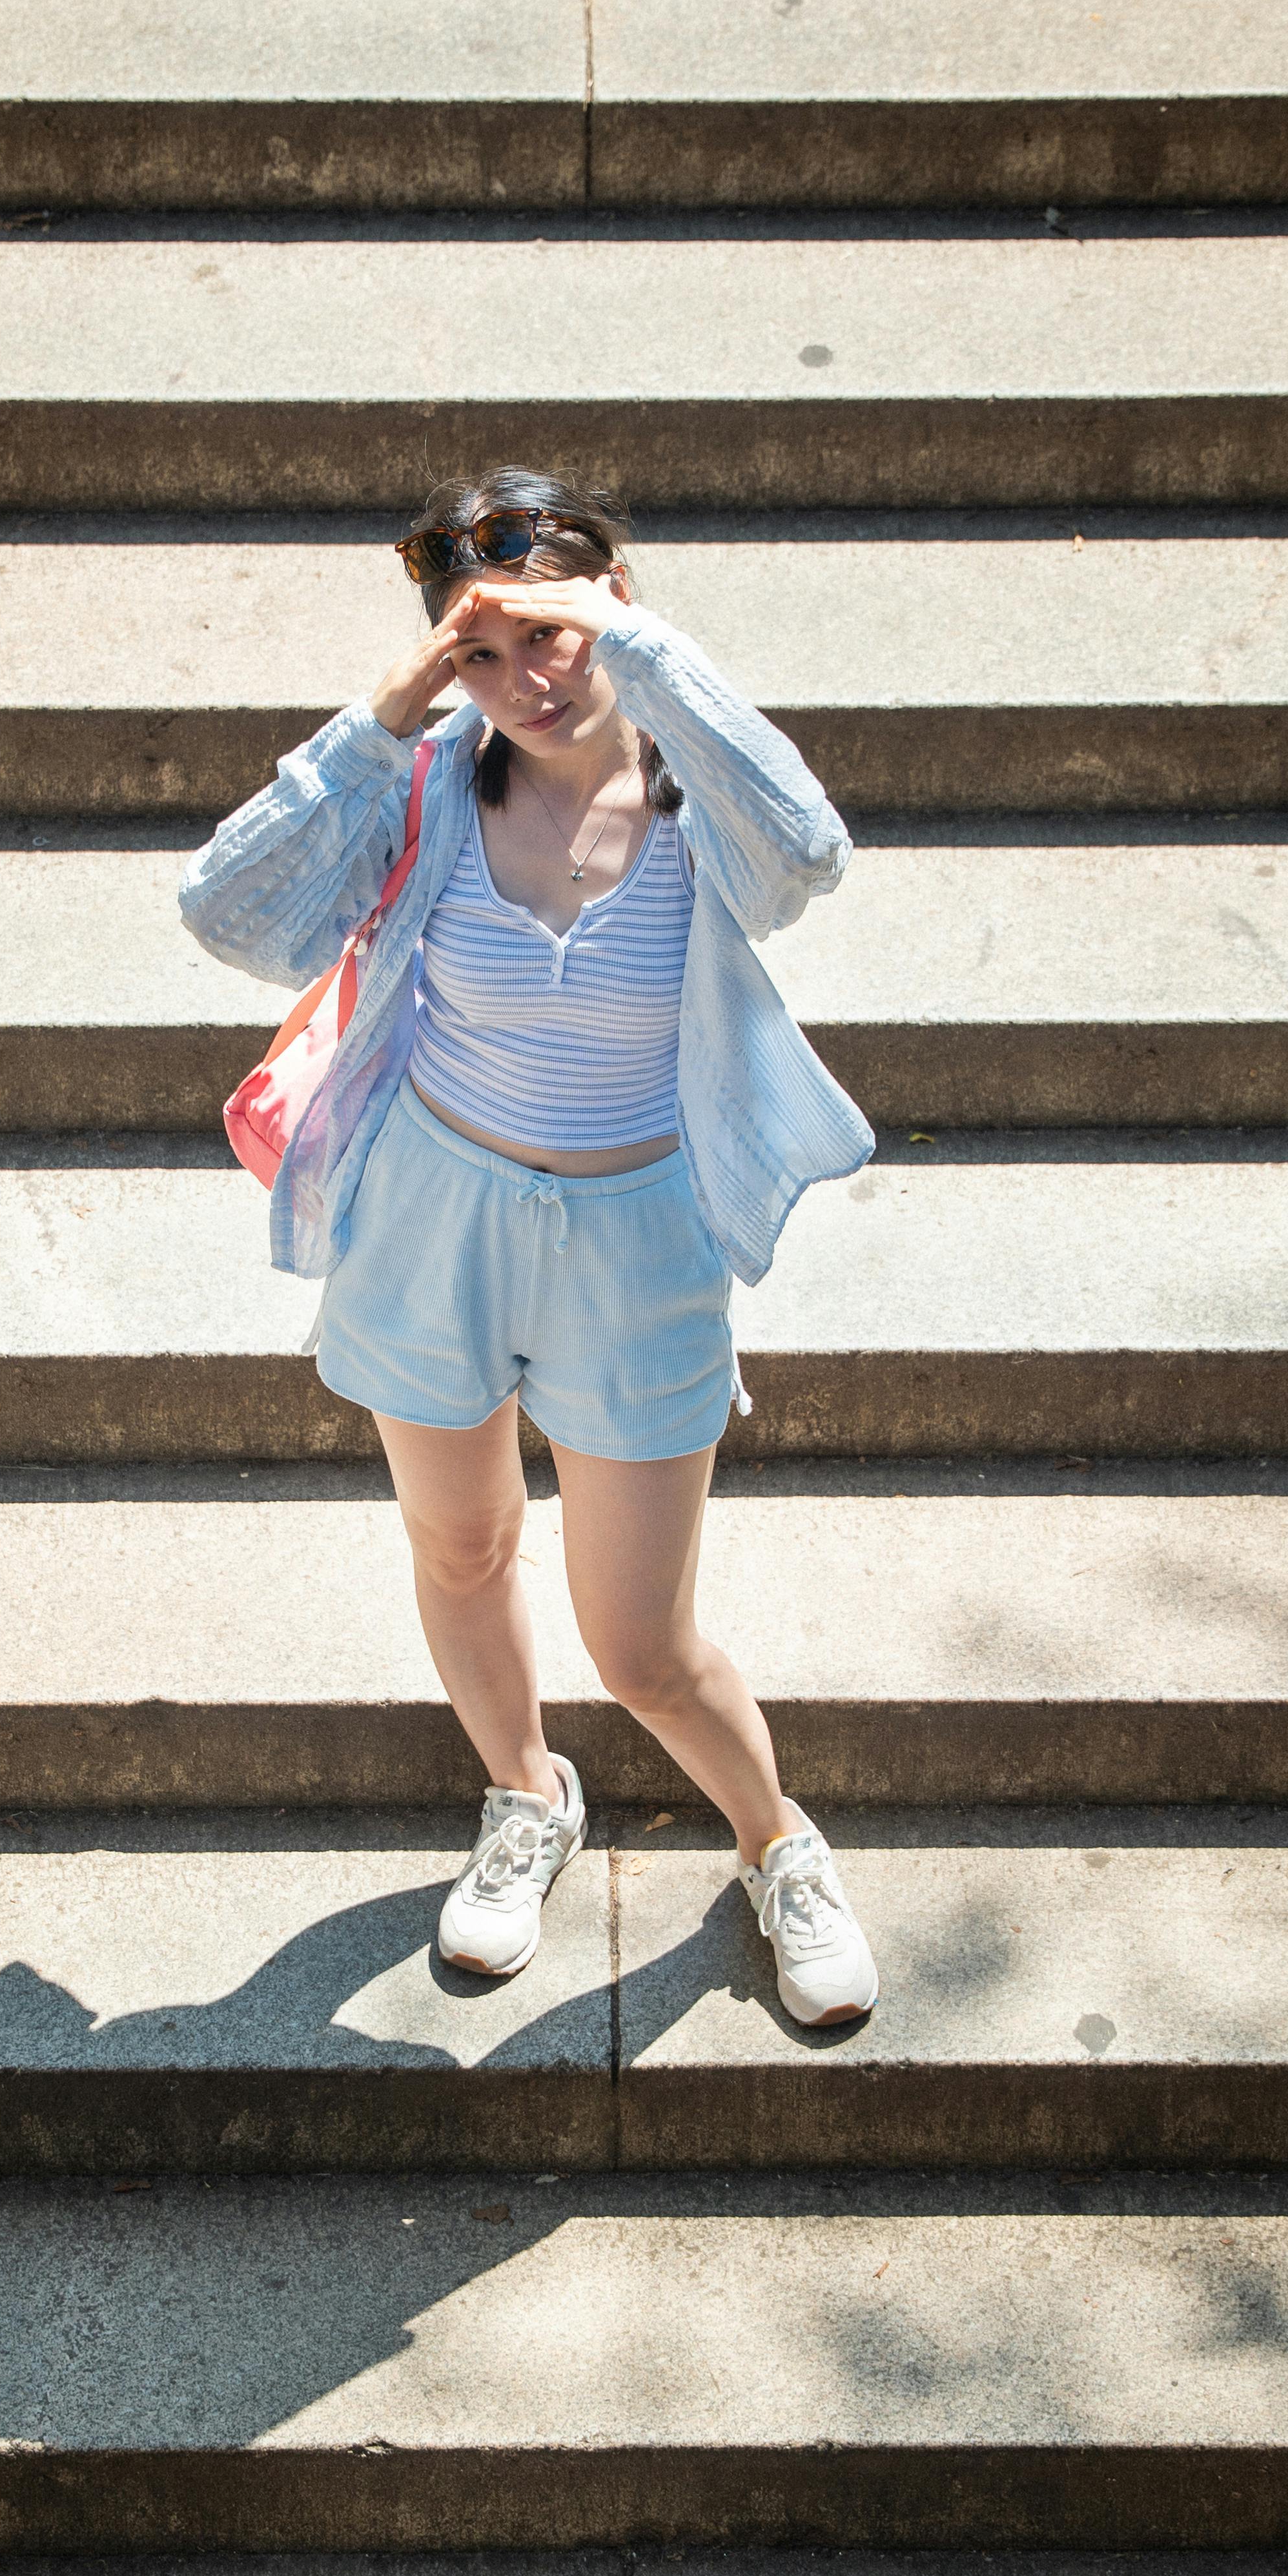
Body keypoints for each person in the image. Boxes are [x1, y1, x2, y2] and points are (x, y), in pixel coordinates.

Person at [179, 467, 880, 2026]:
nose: (529, 683)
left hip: (637, 1233)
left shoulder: (703, 799)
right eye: (483, 656)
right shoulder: (430, 785)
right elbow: (231, 912)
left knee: (642, 1643)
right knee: (461, 1544)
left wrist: (645, 654)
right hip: (437, 1211)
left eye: (552, 635)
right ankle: (524, 1794)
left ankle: (776, 1842)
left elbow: (812, 856)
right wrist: (383, 713)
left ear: (614, 602)